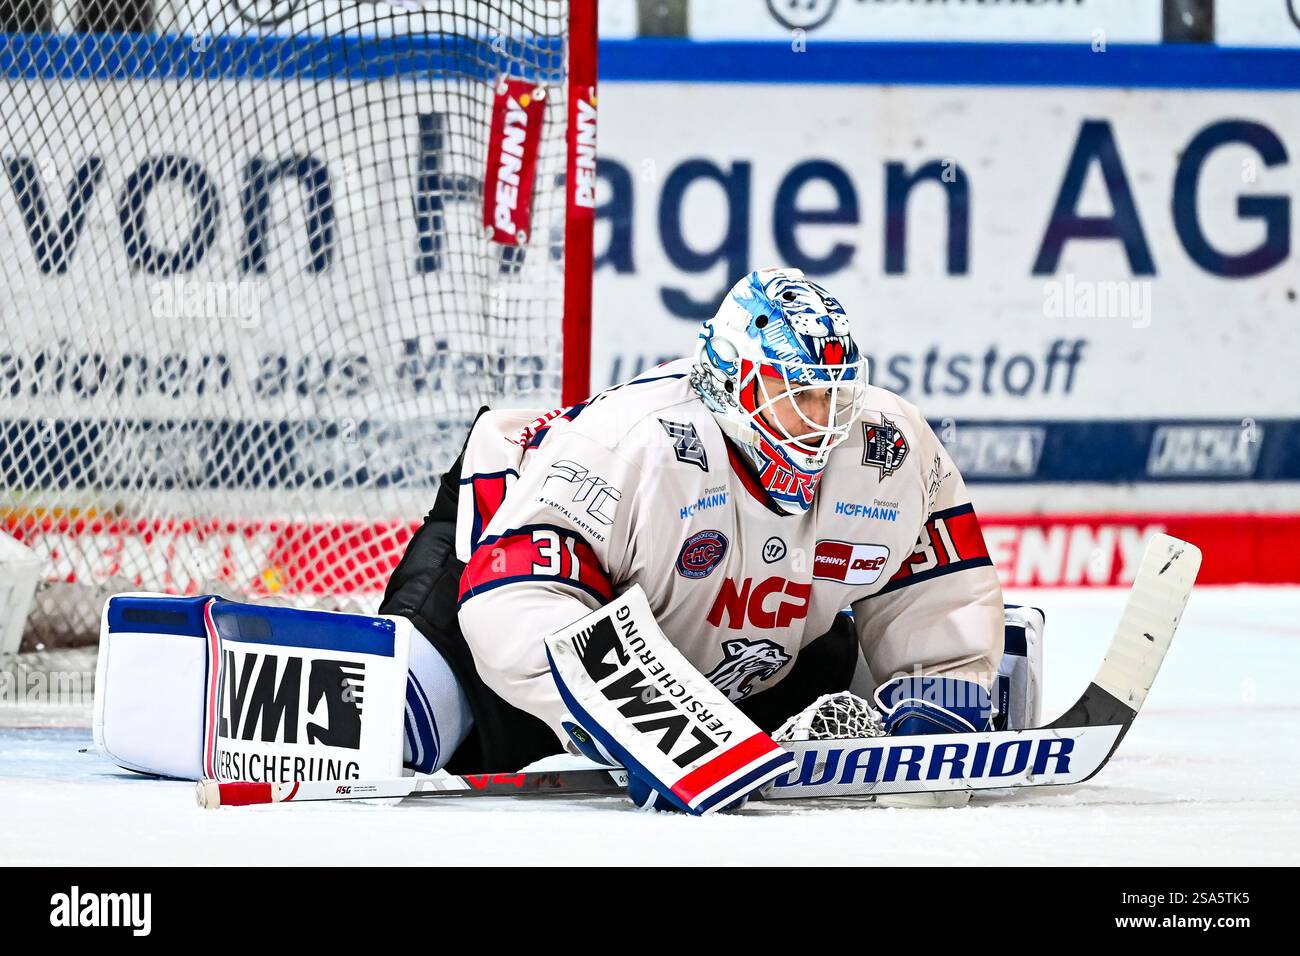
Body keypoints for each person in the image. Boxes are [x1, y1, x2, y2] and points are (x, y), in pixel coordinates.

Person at [381, 267, 1015, 809]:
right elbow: (516, 598)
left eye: (830, 394)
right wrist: (639, 723)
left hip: (725, 649)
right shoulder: (637, 443)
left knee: (908, 692)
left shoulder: (885, 443)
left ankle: (1003, 657)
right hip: (491, 558)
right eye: (792, 394)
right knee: (397, 720)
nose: (820, 421)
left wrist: (942, 688)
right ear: (732, 382)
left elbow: (935, 583)